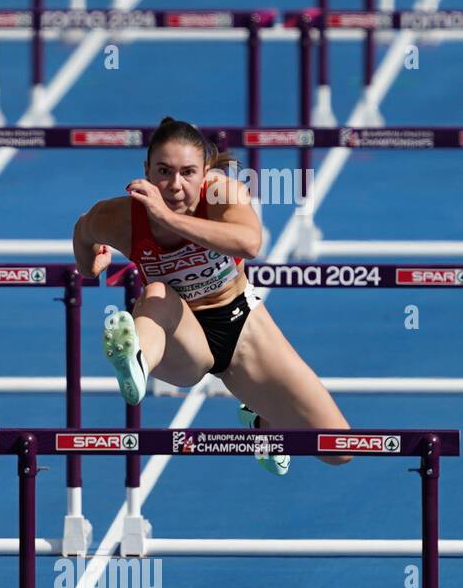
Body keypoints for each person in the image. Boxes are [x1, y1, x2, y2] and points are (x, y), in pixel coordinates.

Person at [72, 116, 350, 474]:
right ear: (146, 170)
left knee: (338, 448)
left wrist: (167, 218)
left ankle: (261, 422)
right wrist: (88, 267)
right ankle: (136, 362)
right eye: (163, 171)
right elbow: (83, 230)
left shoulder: (224, 194)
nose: (174, 185)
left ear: (205, 173)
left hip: (240, 322)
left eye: (188, 172)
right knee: (157, 292)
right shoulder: (121, 217)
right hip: (180, 338)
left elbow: (250, 243)